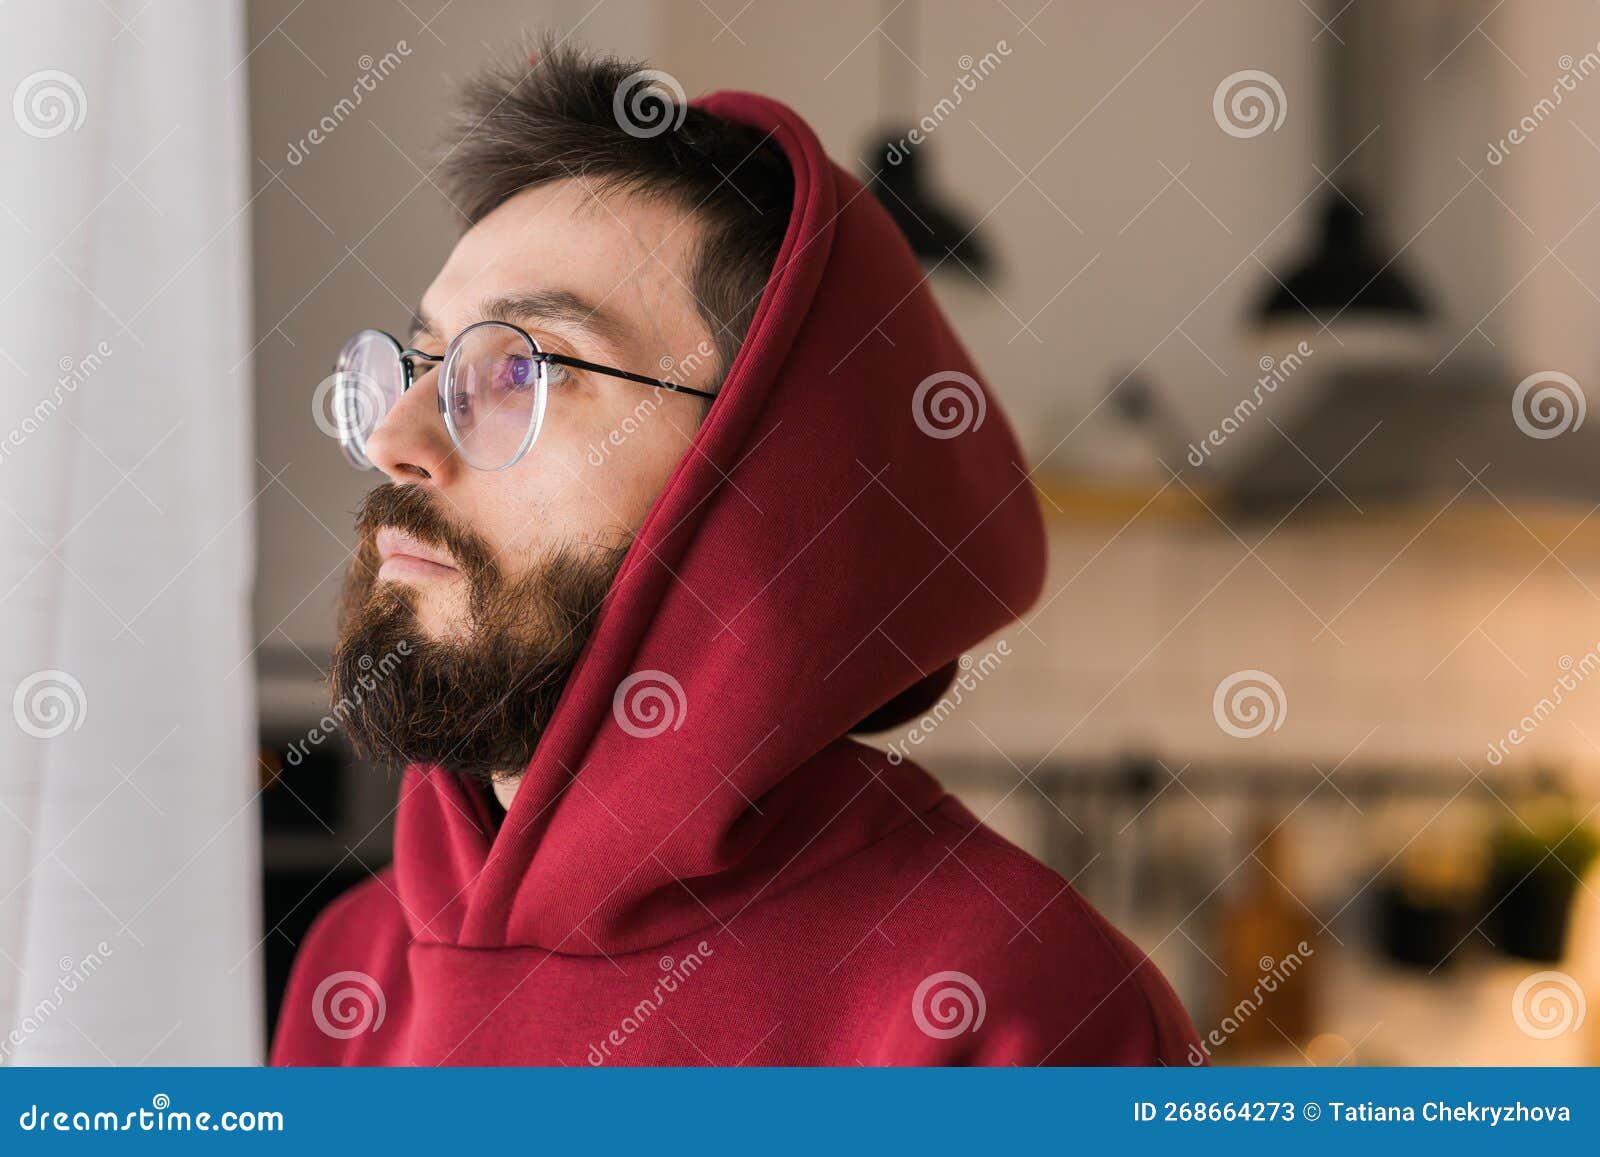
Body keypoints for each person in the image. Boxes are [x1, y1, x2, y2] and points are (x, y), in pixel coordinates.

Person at [271, 40, 1199, 1066]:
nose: (398, 435)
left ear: (756, 477)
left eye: (523, 370)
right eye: (421, 362)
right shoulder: (351, 961)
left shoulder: (1012, 1001)